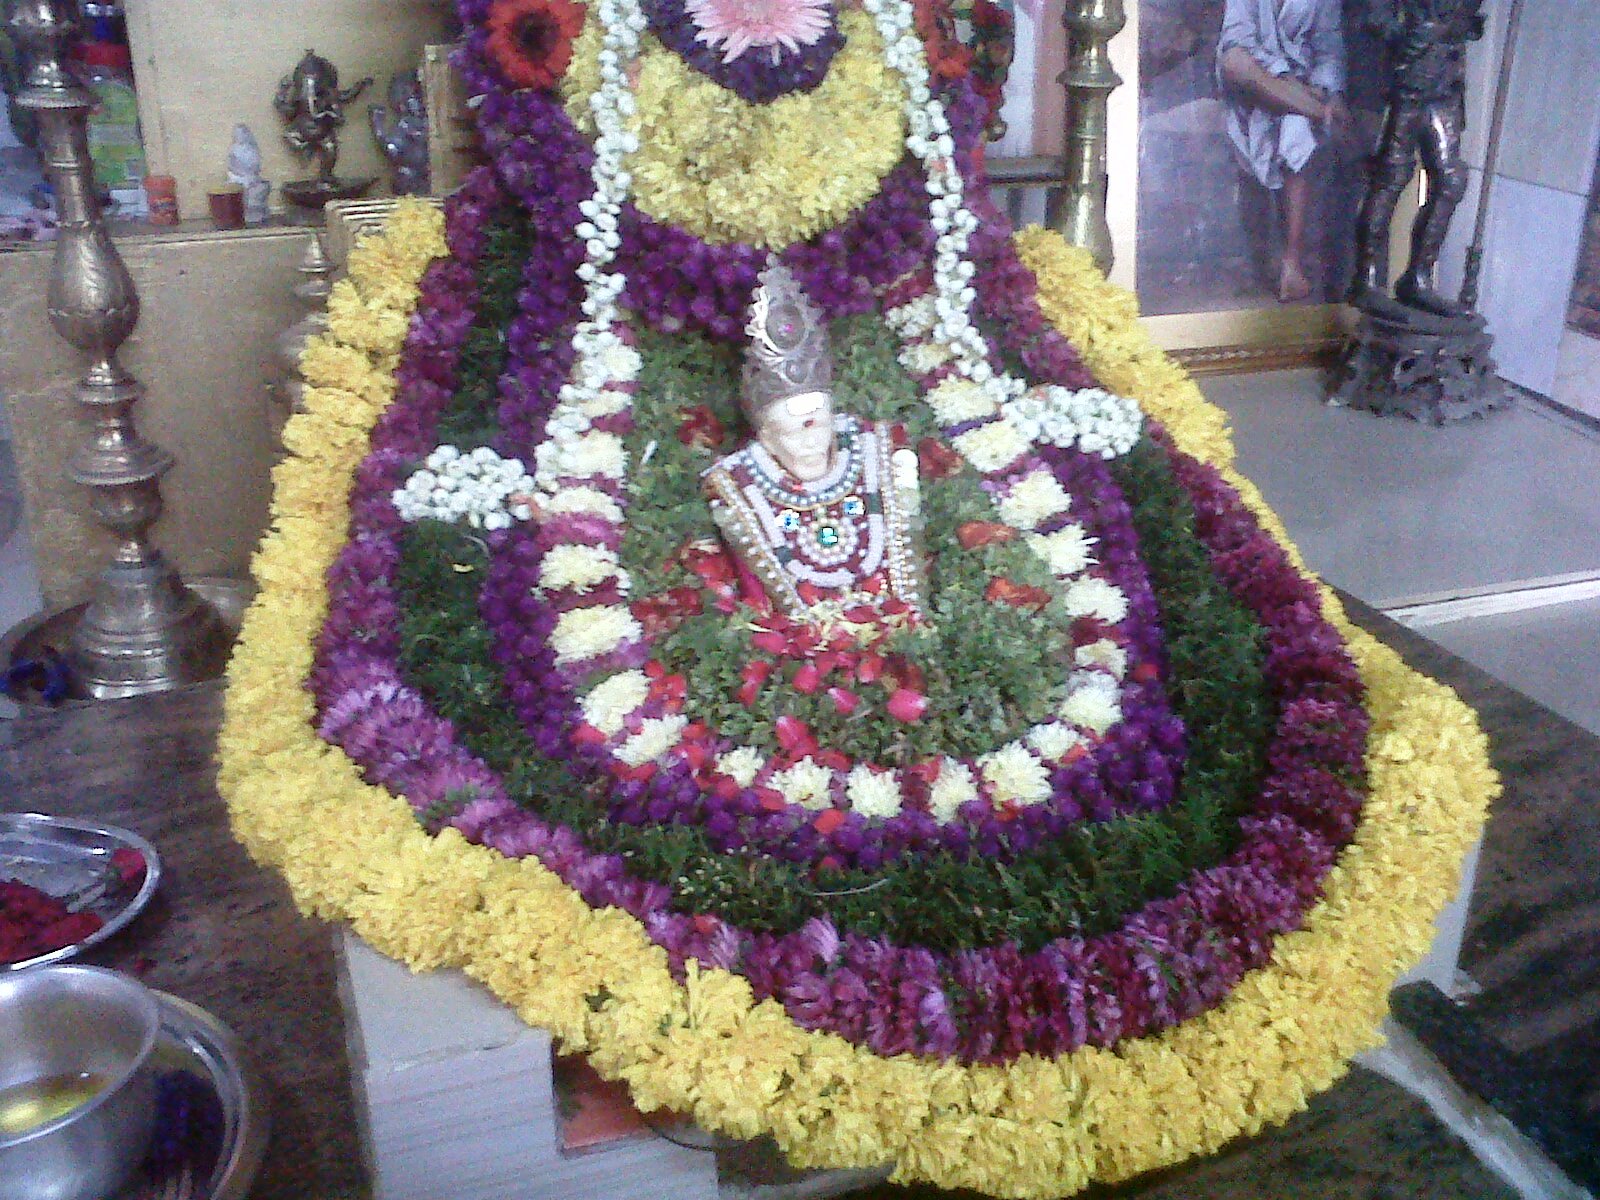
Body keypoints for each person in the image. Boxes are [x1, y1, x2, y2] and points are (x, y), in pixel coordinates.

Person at [703, 261, 924, 631]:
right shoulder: (736, 486)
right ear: (766, 440)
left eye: (816, 424)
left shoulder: (880, 451)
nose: (809, 442)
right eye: (791, 432)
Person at [1216, 0, 1354, 302]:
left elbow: (1328, 46)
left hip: (1303, 83)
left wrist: (1328, 90)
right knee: (1235, 61)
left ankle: (1291, 264)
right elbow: (1237, 40)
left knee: (1296, 130)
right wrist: (1283, 78)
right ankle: (1318, 111)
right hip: (1254, 83)